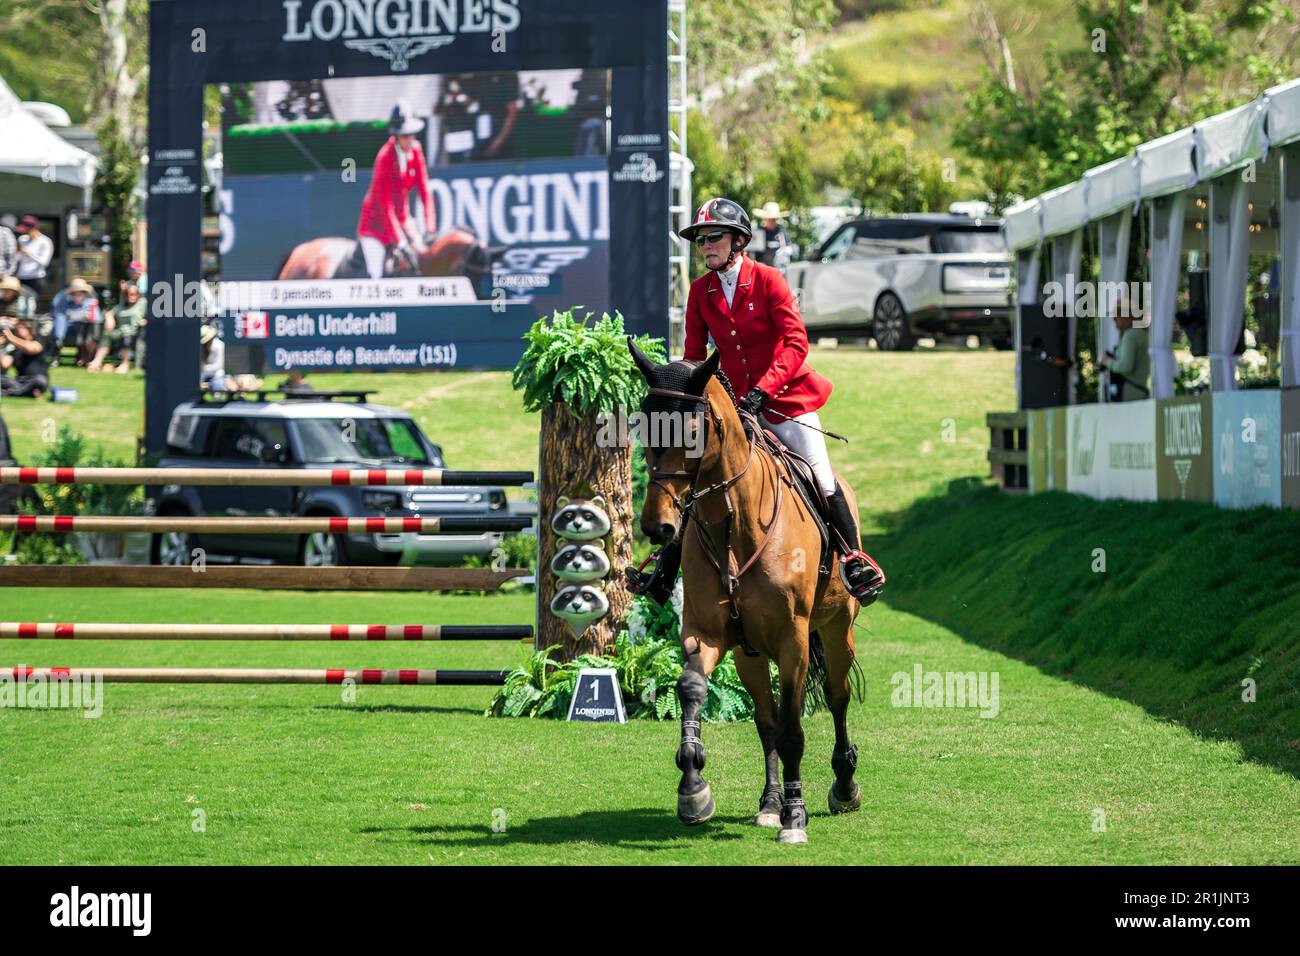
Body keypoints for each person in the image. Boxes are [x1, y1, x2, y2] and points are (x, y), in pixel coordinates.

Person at [627, 196, 884, 604]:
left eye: (714, 237)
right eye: (701, 240)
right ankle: (665, 568)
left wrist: (763, 390)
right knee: (694, 478)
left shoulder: (768, 280)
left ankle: (853, 560)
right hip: (734, 411)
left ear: (738, 241)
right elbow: (695, 357)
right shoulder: (700, 291)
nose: (706, 246)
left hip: (786, 402)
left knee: (819, 472)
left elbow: (796, 342)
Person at [356, 101, 435, 280]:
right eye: (405, 135)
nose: (409, 139)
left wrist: (430, 228)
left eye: (412, 135)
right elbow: (386, 207)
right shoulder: (384, 158)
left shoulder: (416, 150)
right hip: (375, 226)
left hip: (402, 219)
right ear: (396, 135)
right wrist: (400, 241)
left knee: (422, 258)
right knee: (375, 274)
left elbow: (425, 191)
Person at [1098, 294, 1150, 401]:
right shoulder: (1139, 332)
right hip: (1137, 392)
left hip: (1129, 394)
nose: (1114, 319)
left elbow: (1126, 367)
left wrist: (1107, 361)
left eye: (1117, 315)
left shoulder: (1131, 335)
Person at [87, 281, 146, 373]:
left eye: (134, 294)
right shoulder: (122, 305)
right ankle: (96, 362)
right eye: (128, 294)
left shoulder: (143, 303)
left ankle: (124, 364)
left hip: (135, 332)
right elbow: (109, 312)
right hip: (120, 331)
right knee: (107, 334)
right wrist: (109, 318)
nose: (131, 296)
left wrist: (145, 321)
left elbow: (152, 315)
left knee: (126, 336)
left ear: (138, 294)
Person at [50, 277, 101, 365]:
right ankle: (57, 351)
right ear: (71, 294)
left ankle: (84, 358)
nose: (78, 296)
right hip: (67, 329)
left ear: (84, 294)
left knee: (89, 328)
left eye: (81, 293)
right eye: (75, 294)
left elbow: (98, 318)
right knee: (60, 320)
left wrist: (89, 317)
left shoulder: (90, 302)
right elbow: (58, 316)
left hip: (84, 331)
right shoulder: (62, 301)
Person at [0, 316, 50, 398]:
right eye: (16, 327)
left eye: (20, 327)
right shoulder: (13, 350)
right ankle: (26, 392)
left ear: (29, 330)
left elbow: (32, 348)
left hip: (36, 379)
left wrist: (11, 338)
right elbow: (4, 364)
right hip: (20, 382)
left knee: (39, 380)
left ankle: (8, 392)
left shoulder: (39, 339)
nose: (17, 329)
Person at [14, 215, 53, 295]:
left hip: (37, 278)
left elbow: (45, 262)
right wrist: (17, 253)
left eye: (28, 230)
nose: (26, 232)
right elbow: (18, 259)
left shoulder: (45, 241)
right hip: (21, 277)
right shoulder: (22, 239)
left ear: (35, 228)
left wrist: (28, 253)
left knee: (36, 304)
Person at [750, 201, 793, 272]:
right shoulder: (759, 233)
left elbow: (790, 247)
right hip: (762, 271)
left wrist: (785, 251)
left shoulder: (782, 232)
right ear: (764, 219)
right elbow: (752, 253)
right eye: (769, 219)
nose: (772, 221)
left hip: (779, 271)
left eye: (774, 219)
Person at [199, 324, 231, 391]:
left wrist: (205, 368)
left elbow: (219, 365)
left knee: (218, 385)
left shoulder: (220, 346)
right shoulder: (202, 347)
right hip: (204, 375)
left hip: (218, 374)